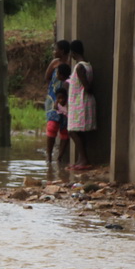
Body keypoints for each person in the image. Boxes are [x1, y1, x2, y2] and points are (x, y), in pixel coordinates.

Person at [66, 40, 96, 171]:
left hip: (80, 103)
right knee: (79, 132)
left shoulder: (79, 67)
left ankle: (83, 159)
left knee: (72, 131)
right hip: (79, 103)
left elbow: (87, 87)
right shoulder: (86, 65)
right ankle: (81, 159)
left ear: (73, 53)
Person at [43, 41, 71, 163]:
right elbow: (47, 77)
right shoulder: (54, 63)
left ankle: (60, 157)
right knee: (52, 126)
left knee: (65, 128)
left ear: (63, 51)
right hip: (53, 99)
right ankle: (49, 156)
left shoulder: (69, 64)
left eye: (56, 49)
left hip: (65, 101)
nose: (54, 52)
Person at [48, 85, 70, 163]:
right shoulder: (57, 103)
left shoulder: (68, 104)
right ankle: (49, 156)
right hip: (59, 116)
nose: (61, 100)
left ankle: (59, 157)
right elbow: (55, 107)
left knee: (65, 135)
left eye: (62, 98)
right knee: (51, 129)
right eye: (59, 98)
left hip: (66, 118)